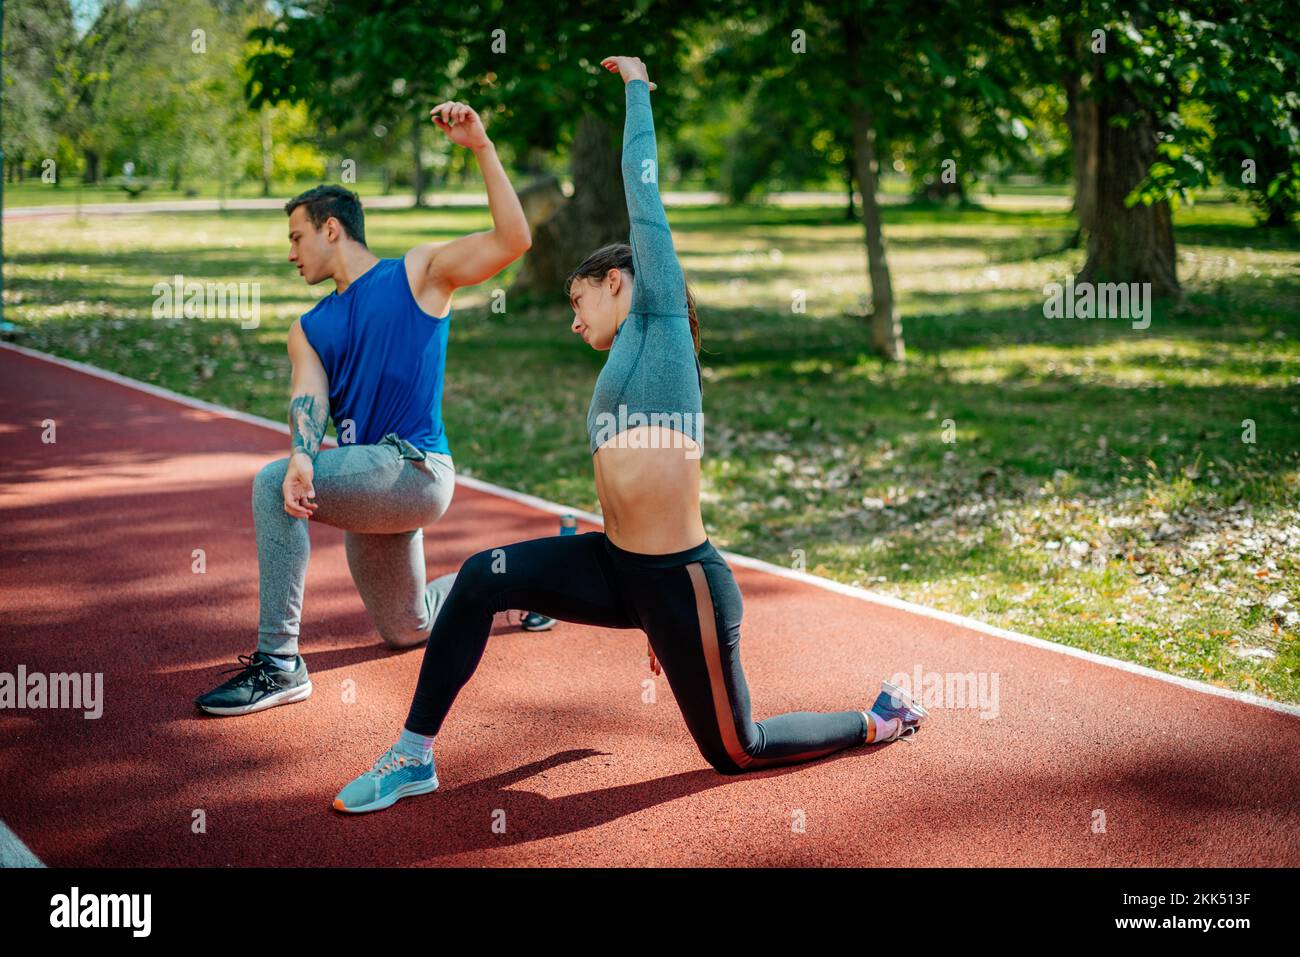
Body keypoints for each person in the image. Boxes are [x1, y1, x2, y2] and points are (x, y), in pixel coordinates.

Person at [332, 57, 927, 813]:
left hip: (682, 582)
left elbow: (643, 196)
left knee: (736, 748)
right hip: (617, 568)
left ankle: (879, 717)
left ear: (620, 281)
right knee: (484, 576)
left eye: (580, 300)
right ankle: (413, 754)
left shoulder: (662, 327)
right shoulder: (617, 362)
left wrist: (637, 89)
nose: (573, 318)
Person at [195, 100, 532, 716]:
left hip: (415, 469)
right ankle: (521, 582)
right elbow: (309, 396)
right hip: (371, 487)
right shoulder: (308, 327)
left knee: (271, 484)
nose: (291, 252)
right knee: (408, 628)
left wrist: (482, 147)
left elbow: (514, 240)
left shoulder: (419, 273)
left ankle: (279, 664)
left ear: (330, 229)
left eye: (296, 236)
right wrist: (302, 453)